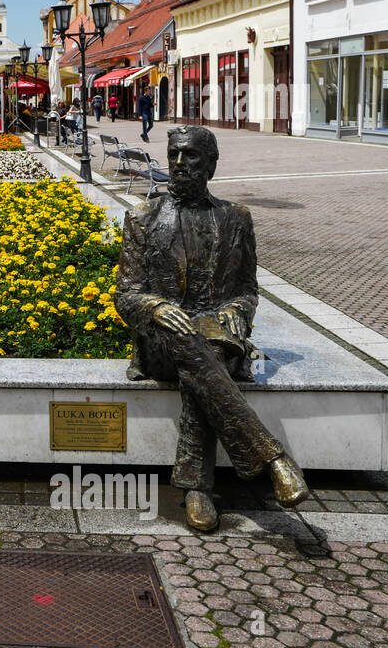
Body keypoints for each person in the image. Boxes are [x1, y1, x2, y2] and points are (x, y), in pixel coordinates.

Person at [114, 126, 309, 532]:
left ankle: (197, 487)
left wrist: (239, 309)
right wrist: (154, 307)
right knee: (194, 342)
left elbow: (247, 289)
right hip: (160, 344)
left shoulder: (236, 219)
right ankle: (271, 457)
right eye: (174, 155)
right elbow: (127, 294)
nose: (180, 165)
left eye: (192, 157)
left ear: (212, 164)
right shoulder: (142, 218)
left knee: (207, 353)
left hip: (214, 337)